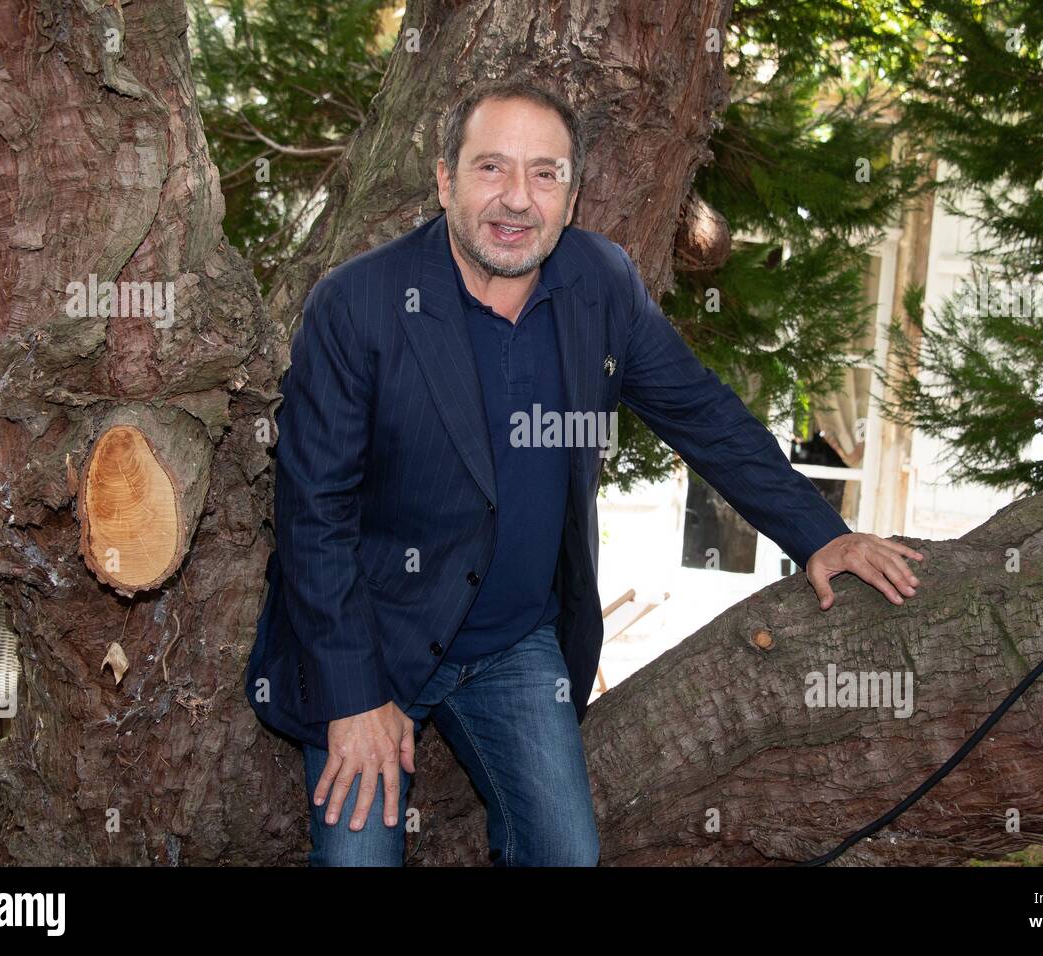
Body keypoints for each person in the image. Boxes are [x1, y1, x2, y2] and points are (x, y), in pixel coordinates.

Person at [244, 79, 925, 866]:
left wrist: (819, 535)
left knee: (565, 855)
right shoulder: (357, 304)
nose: (516, 199)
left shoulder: (600, 284)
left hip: (516, 642)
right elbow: (312, 512)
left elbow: (703, 416)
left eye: (545, 173)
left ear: (572, 195)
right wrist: (355, 697)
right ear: (444, 180)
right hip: (373, 635)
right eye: (490, 168)